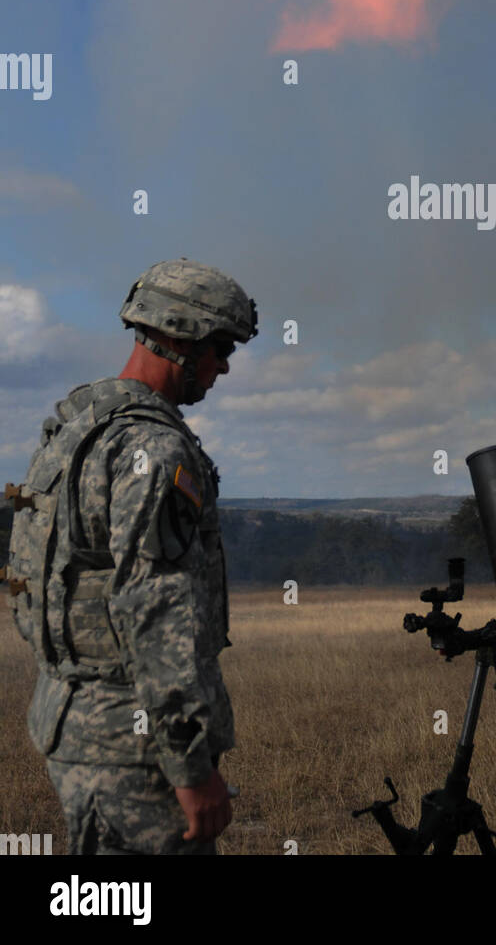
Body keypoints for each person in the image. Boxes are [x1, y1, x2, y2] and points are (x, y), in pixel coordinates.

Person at [3, 258, 257, 855]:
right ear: (174, 335)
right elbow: (155, 612)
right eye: (220, 346)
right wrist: (189, 766)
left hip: (74, 727)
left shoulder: (79, 427)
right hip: (135, 751)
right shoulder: (154, 446)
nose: (223, 365)